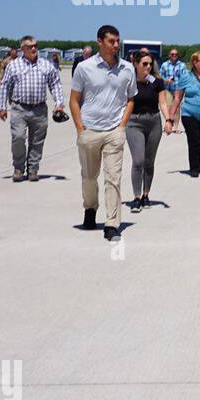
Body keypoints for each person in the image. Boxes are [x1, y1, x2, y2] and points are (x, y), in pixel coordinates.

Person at [69, 25, 137, 240]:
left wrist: (122, 126)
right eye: (111, 41)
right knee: (89, 177)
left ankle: (112, 224)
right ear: (100, 42)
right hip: (89, 131)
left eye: (118, 41)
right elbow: (74, 100)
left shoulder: (127, 68)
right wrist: (81, 129)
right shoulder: (84, 67)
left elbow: (130, 99)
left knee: (113, 178)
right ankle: (90, 209)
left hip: (114, 132)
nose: (116, 45)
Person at [0, 36, 66, 182]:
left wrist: (59, 104)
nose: (34, 49)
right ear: (23, 50)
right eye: (29, 46)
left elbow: (55, 85)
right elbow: (5, 86)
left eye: (35, 45)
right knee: (18, 137)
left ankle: (33, 169)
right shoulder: (13, 66)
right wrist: (2, 107)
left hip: (39, 109)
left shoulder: (46, 65)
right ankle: (18, 168)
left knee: (37, 141)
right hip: (19, 108)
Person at [126, 52, 173, 210]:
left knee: (149, 162)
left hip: (153, 122)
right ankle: (136, 197)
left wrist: (168, 120)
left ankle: (146, 194)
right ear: (136, 64)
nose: (148, 67)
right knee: (138, 161)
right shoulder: (129, 81)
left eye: (150, 64)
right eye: (144, 64)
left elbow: (163, 103)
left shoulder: (157, 81)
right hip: (134, 122)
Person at [159, 49, 186, 131]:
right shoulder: (164, 65)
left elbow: (185, 77)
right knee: (168, 107)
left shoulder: (182, 65)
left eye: (176, 54)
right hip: (168, 89)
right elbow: (160, 76)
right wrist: (166, 80)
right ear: (169, 55)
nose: (174, 56)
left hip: (179, 90)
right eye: (172, 54)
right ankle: (169, 124)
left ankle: (176, 127)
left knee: (177, 108)